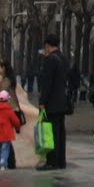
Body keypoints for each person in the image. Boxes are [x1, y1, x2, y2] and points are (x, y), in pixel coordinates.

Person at [34, 35, 70, 171]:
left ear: (48, 46)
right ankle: (61, 161)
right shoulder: (63, 58)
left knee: (51, 133)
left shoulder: (50, 60)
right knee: (60, 132)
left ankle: (51, 162)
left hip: (52, 103)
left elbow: (47, 83)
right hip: (62, 102)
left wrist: (42, 101)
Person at [0, 60, 26, 169]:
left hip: (7, 111)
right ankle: (9, 162)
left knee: (1, 139)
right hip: (13, 110)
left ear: (4, 69)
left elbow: (1, 97)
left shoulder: (5, 82)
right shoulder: (10, 80)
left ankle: (3, 162)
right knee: (6, 138)